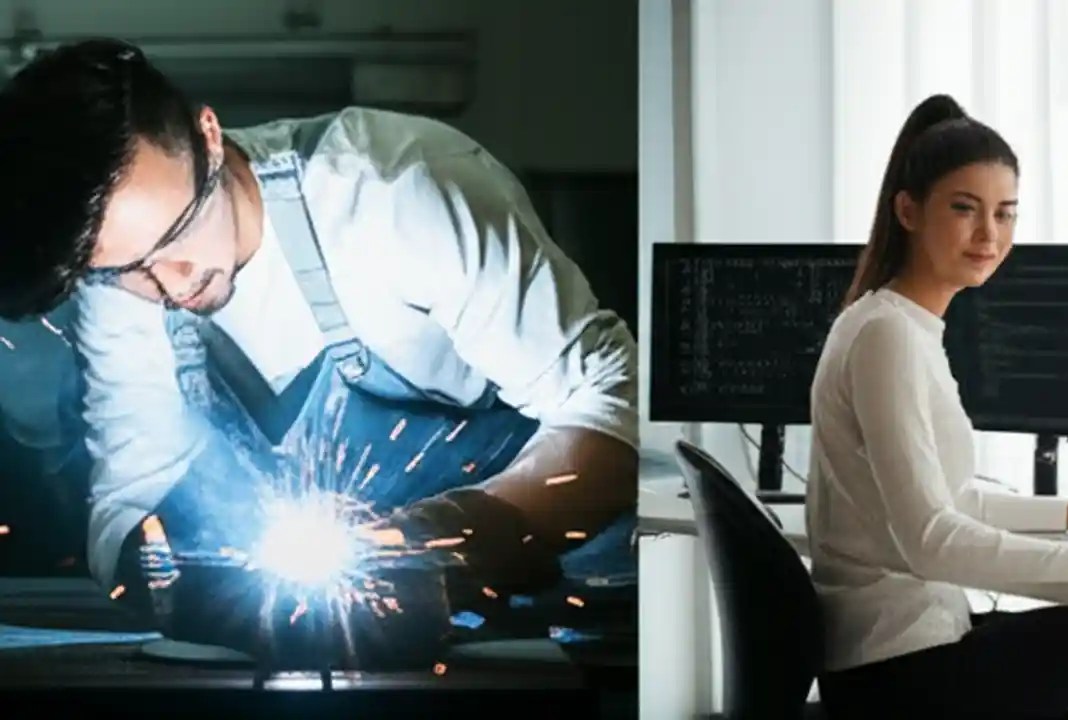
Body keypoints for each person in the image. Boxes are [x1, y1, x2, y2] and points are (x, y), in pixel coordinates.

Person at [0, 38, 638, 660]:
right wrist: (205, 597)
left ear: (209, 136)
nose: (170, 285)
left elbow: (610, 402)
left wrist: (438, 542)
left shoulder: (394, 189)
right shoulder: (117, 286)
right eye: (129, 269)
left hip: (552, 615)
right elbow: (130, 501)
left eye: (177, 236)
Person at [805, 94, 1068, 719]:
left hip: (906, 652)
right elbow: (933, 541)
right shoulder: (886, 336)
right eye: (965, 210)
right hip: (897, 679)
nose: (990, 235)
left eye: (1006, 214)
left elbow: (949, 499)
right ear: (908, 210)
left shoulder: (894, 323)